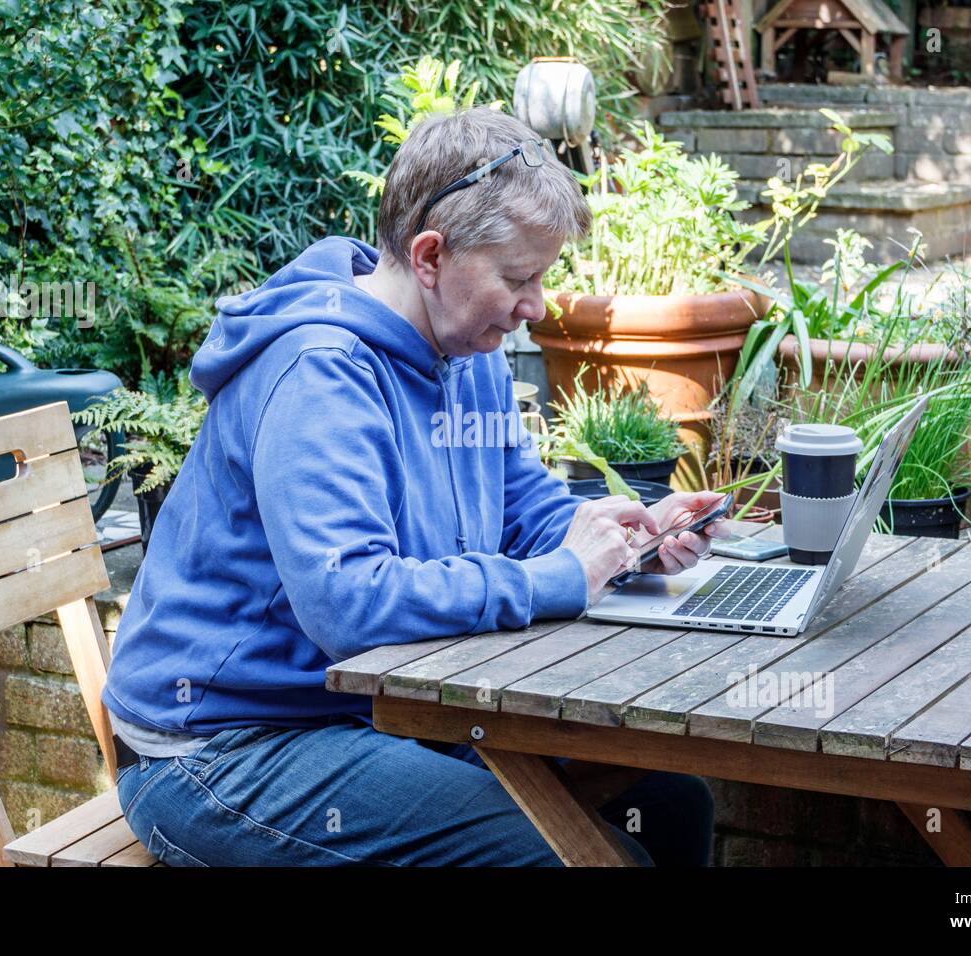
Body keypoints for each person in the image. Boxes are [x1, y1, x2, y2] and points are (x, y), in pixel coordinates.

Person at [104, 106, 730, 866]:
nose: (536, 307)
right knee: (557, 860)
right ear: (430, 255)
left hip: (373, 711)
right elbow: (350, 602)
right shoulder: (320, 372)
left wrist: (625, 540)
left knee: (669, 805)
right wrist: (557, 578)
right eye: (518, 278)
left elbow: (522, 509)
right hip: (224, 748)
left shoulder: (471, 351)